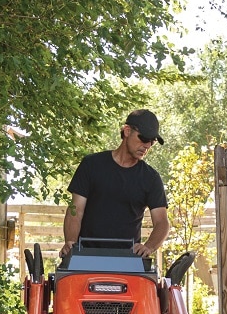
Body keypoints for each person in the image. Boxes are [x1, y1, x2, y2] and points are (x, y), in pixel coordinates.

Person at [60, 109, 170, 259]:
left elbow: (162, 222)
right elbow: (75, 210)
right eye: (144, 138)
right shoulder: (91, 165)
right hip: (86, 257)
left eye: (152, 141)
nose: (147, 145)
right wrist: (71, 244)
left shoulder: (151, 178)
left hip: (129, 261)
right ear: (127, 131)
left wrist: (148, 247)